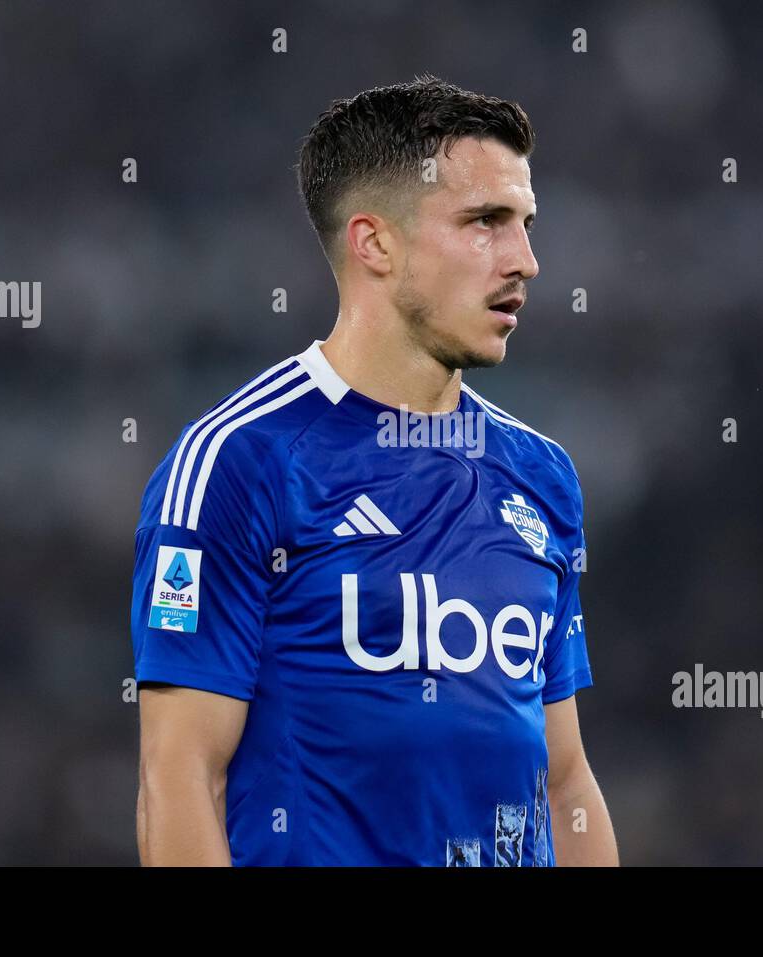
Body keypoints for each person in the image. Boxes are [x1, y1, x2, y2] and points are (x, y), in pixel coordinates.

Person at [131, 75, 616, 866]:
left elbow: (563, 780)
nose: (526, 259)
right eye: (486, 222)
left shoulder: (541, 476)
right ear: (375, 242)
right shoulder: (240, 462)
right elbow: (180, 773)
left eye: (525, 223)